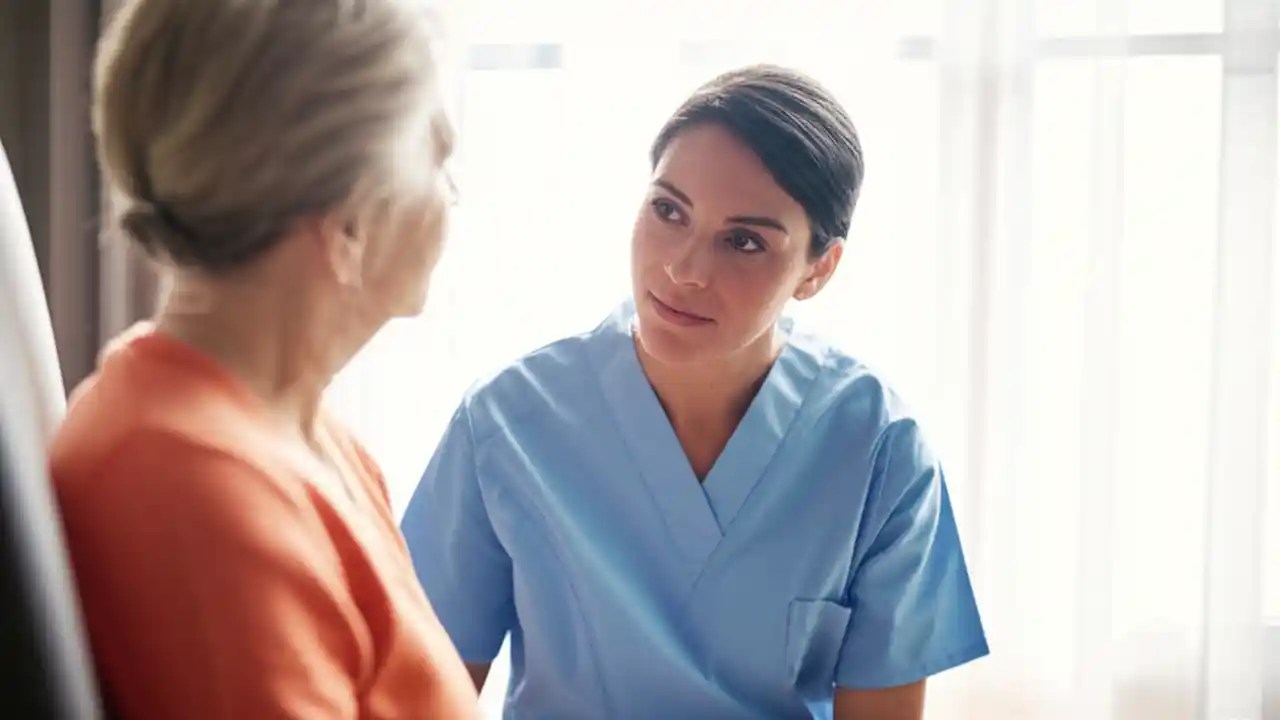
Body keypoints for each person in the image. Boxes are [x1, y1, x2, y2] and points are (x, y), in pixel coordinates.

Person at [402, 65, 988, 719]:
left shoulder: (879, 450)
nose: (683, 268)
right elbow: (418, 699)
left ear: (818, 270)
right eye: (668, 210)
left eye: (744, 242)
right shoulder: (506, 424)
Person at [48, 1, 478, 717]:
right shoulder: (192, 482)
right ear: (349, 221)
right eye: (437, 156)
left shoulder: (301, 433)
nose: (453, 193)